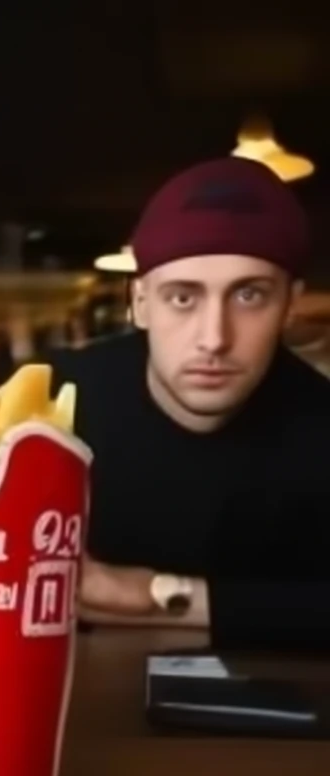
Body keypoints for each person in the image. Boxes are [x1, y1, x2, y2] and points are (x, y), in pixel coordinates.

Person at [52, 155, 330, 651]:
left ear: (290, 304)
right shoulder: (45, 405)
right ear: (139, 302)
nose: (214, 338)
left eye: (249, 296)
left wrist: (152, 595)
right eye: (183, 298)